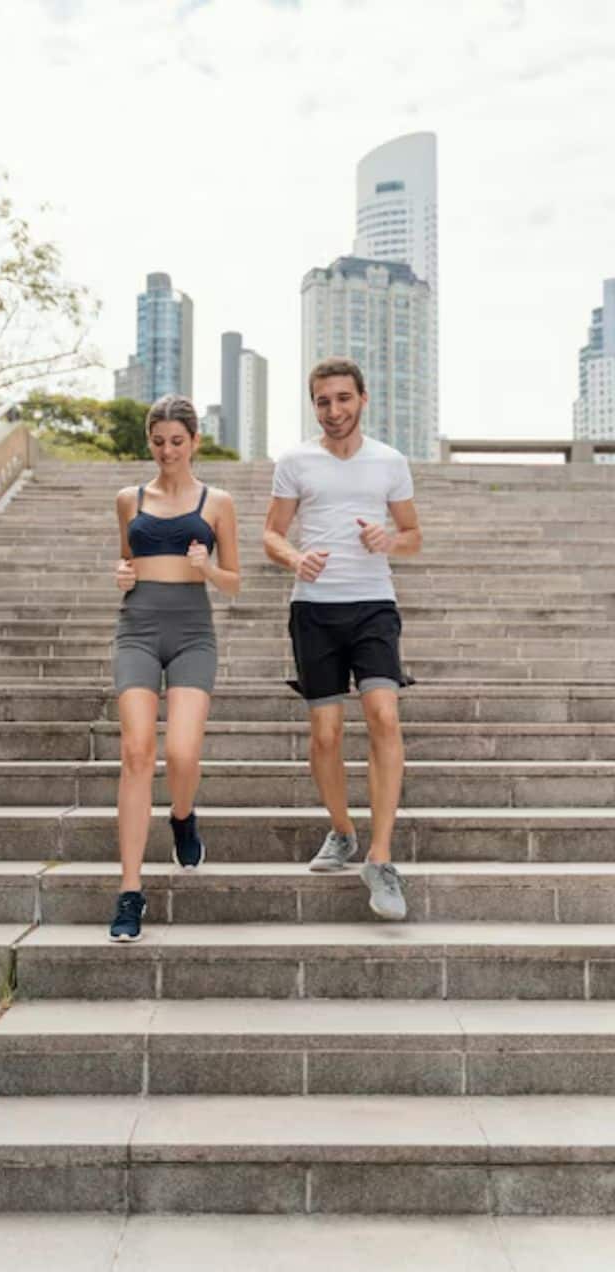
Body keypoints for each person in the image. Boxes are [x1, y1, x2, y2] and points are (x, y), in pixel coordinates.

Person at [263, 357, 422, 921]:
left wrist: (390, 539)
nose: (334, 411)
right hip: (314, 611)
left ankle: (379, 859)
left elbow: (414, 534)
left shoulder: (390, 462)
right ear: (315, 406)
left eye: (343, 399)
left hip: (374, 606)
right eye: (323, 401)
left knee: (383, 714)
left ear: (363, 399)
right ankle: (342, 830)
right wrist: (295, 556)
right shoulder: (295, 461)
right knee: (326, 733)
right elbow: (271, 534)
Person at [109, 394, 240, 941]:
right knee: (138, 751)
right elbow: (126, 558)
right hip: (137, 629)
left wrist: (206, 567)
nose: (167, 451)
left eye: (177, 442)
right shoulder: (128, 498)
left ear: (195, 442)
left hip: (192, 633)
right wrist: (121, 573)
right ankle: (130, 892)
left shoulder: (218, 502)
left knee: (183, 752)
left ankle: (182, 817)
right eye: (159, 442)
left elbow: (235, 580)